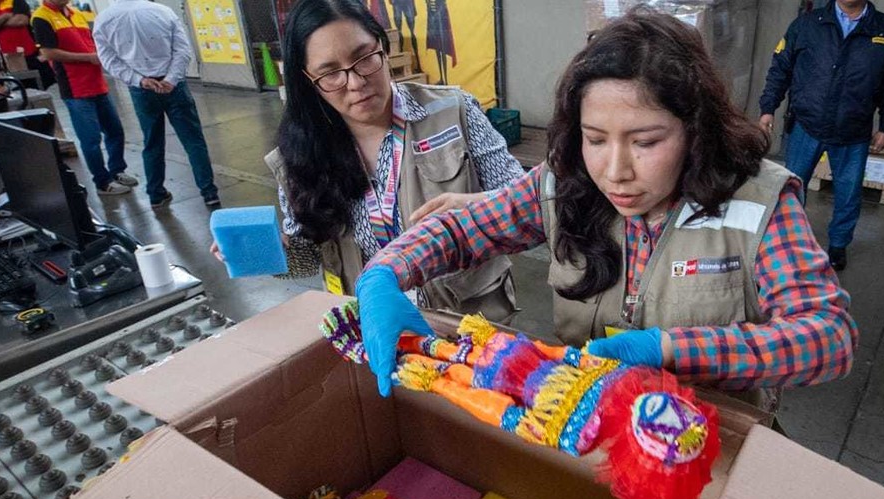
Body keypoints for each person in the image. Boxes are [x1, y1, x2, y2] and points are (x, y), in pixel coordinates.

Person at [354, 8, 859, 408]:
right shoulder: (567, 179)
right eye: (596, 138)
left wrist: (669, 351)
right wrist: (383, 275)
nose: (615, 170)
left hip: (707, 437)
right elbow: (465, 228)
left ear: (694, 129)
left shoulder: (758, 203)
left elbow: (828, 336)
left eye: (645, 141)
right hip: (588, 417)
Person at [219, 0, 523, 320]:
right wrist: (268, 252)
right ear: (308, 80)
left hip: (467, 318)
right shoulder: (299, 155)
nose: (356, 83)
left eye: (364, 58)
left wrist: (480, 209)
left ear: (382, 46)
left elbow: (523, 202)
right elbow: (308, 259)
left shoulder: (452, 112)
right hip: (375, 324)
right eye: (331, 73)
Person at [758, 0, 884, 271]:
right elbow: (781, 67)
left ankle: (838, 245)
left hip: (854, 129)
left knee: (848, 193)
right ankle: (790, 241)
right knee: (791, 189)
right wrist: (768, 108)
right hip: (808, 124)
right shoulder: (806, 25)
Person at [93, 0, 220, 210]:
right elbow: (182, 50)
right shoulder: (162, 11)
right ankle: (209, 193)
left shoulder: (104, 20)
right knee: (193, 141)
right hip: (174, 87)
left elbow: (108, 59)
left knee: (152, 142)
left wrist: (139, 80)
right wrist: (171, 79)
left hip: (143, 89)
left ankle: (156, 194)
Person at [32, 0, 137, 196]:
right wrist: (88, 58)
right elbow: (48, 53)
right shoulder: (41, 17)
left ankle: (117, 170)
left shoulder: (76, 14)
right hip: (75, 88)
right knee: (90, 139)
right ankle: (102, 181)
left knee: (115, 131)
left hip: (97, 84)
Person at [0, 0, 54, 89]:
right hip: (3, 58)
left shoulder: (16, 1)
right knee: (13, 89)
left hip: (28, 54)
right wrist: (6, 15)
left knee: (39, 84)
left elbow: (21, 21)